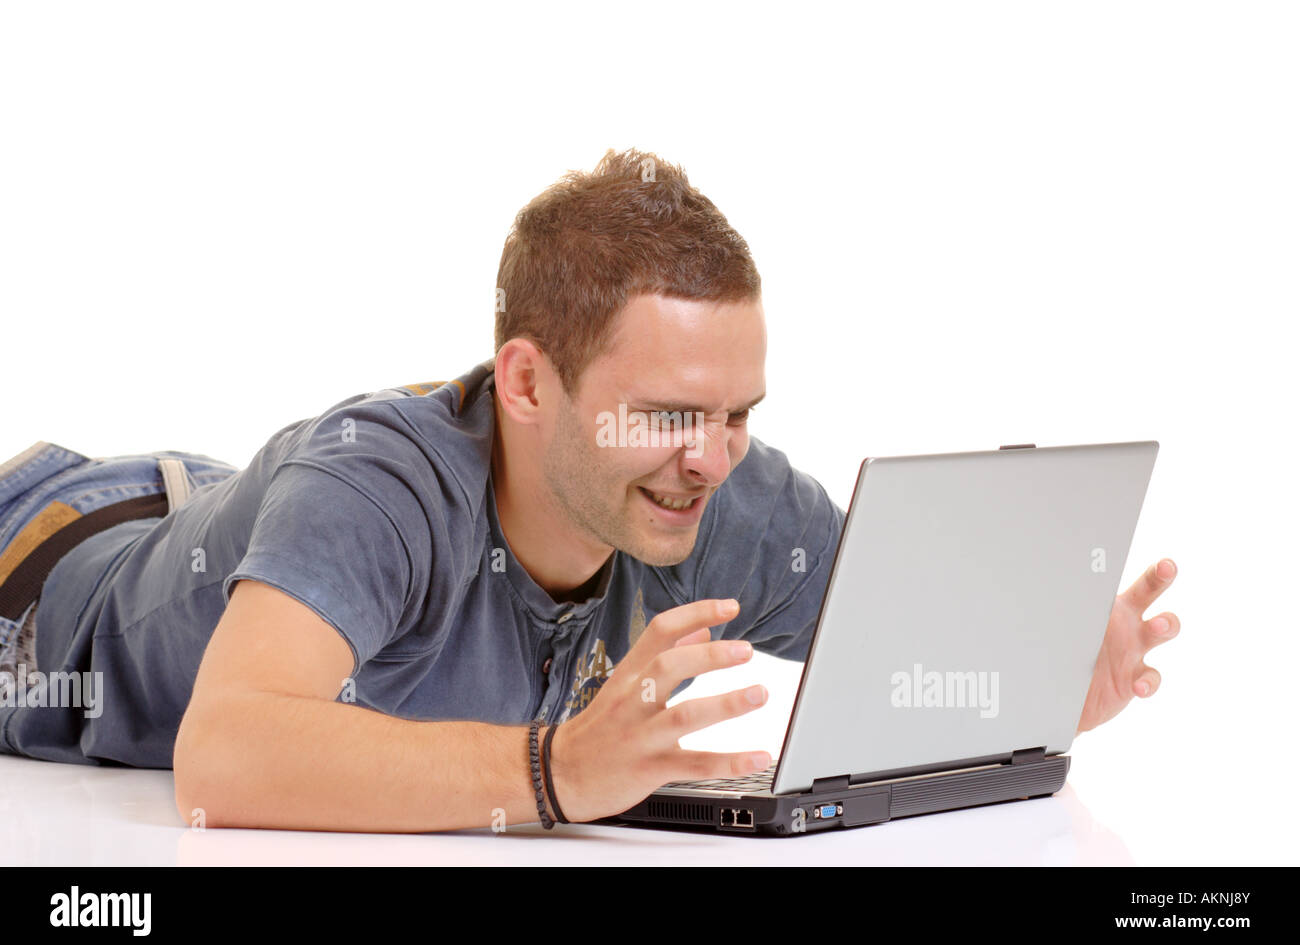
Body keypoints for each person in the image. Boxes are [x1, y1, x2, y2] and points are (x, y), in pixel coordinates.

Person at [0, 148, 1181, 832]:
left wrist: (1037, 685)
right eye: (668, 413)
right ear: (527, 381)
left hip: (226, 516)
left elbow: (898, 659)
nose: (711, 457)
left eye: (736, 413)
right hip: (41, 565)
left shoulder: (718, 495)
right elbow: (224, 756)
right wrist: (555, 769)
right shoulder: (377, 486)